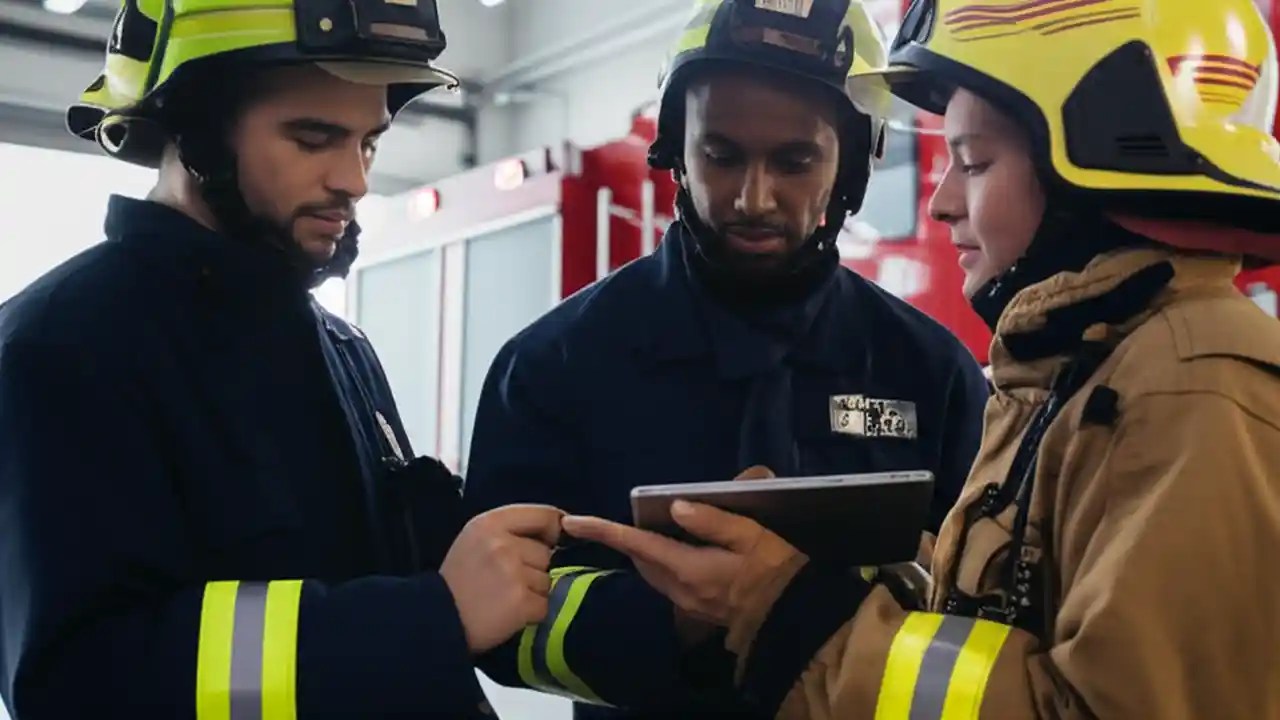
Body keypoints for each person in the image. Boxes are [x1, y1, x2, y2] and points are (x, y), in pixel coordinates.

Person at [560, 0, 1280, 717]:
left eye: (972, 161)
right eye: (722, 154)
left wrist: (796, 614)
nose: (940, 202)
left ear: (1100, 158)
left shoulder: (1190, 391)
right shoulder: (1089, 375)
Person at [0, 3, 563, 718]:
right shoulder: (64, 346)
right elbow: (78, 680)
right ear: (197, 130)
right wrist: (428, 617)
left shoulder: (337, 344)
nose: (354, 180)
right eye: (313, 138)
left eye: (368, 143)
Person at [463, 0, 989, 717]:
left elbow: (986, 617)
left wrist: (873, 599)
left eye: (794, 161)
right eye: (722, 155)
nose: (753, 197)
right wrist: (671, 623)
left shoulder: (934, 375)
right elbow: (496, 631)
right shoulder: (554, 365)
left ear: (852, 164)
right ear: (676, 148)